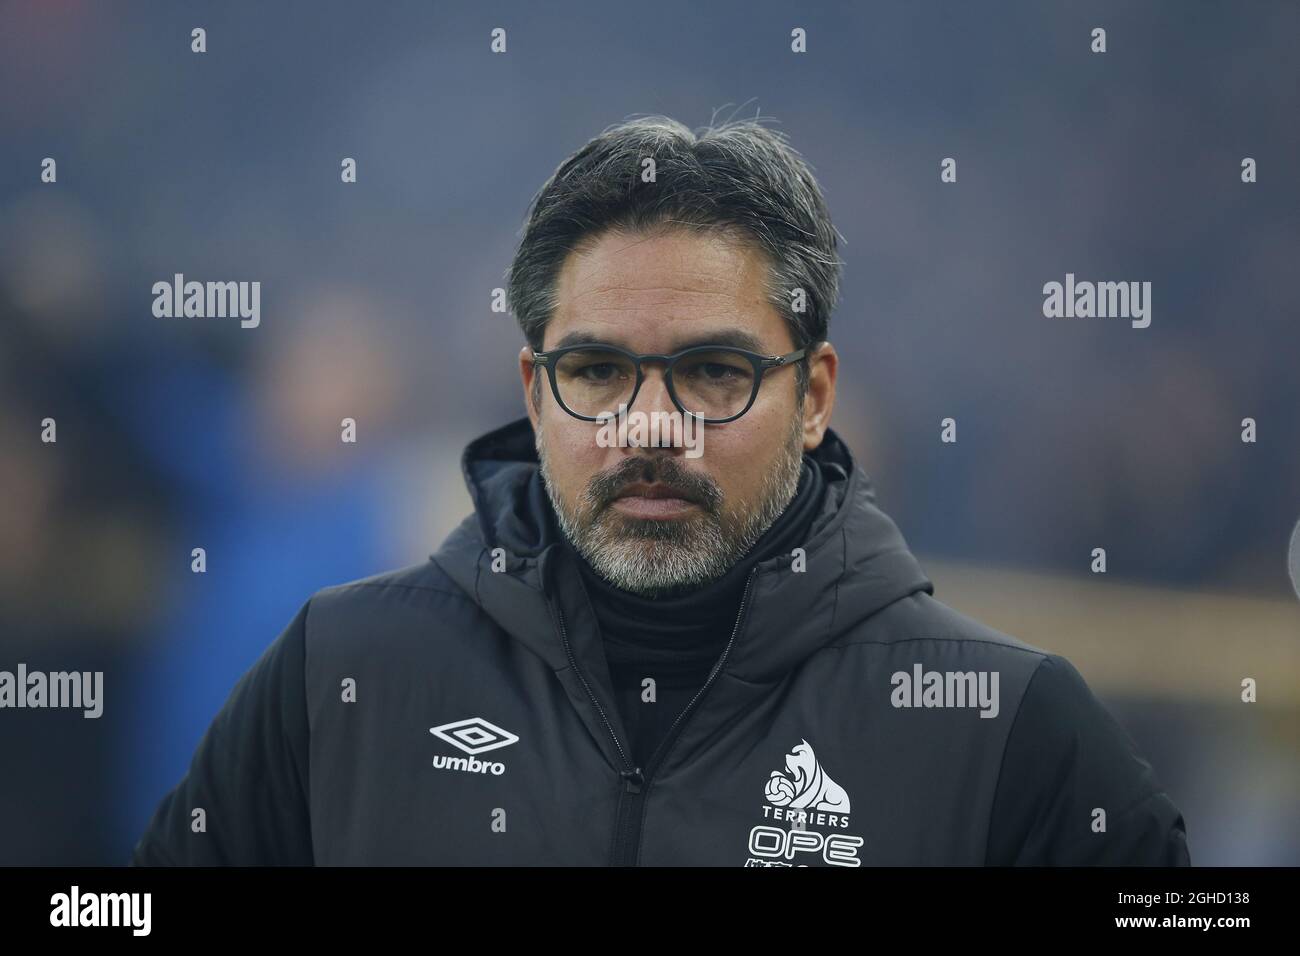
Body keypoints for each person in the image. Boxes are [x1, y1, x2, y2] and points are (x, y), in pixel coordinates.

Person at [130, 116, 1189, 866]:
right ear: (532, 393)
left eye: (713, 373)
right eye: (595, 372)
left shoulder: (1007, 727)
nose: (647, 425)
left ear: (815, 395)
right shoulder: (339, 673)